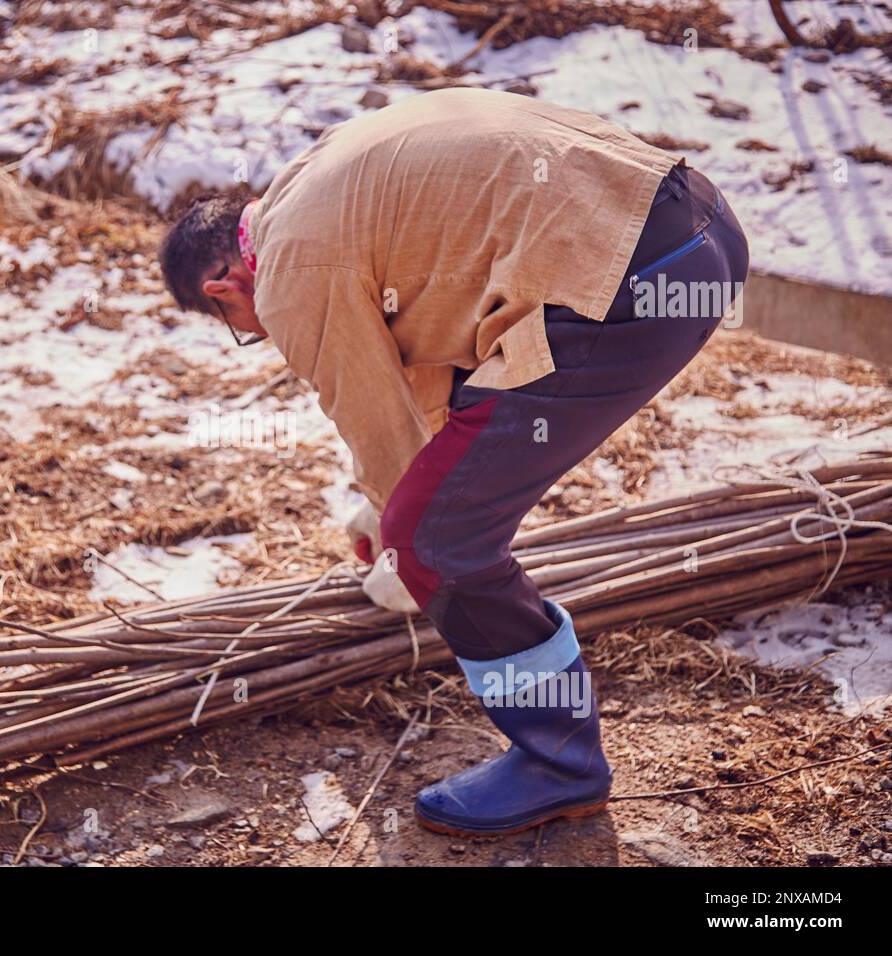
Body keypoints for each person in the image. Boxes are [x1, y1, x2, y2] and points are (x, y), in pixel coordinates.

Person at [158, 88, 750, 836]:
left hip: (630, 279)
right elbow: (431, 362)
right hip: (698, 228)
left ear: (223, 290)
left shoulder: (288, 267)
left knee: (440, 540)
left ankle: (560, 764)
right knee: (434, 517)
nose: (261, 331)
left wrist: (402, 542)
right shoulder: (310, 186)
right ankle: (554, 749)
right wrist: (391, 505)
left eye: (242, 328)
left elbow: (369, 410)